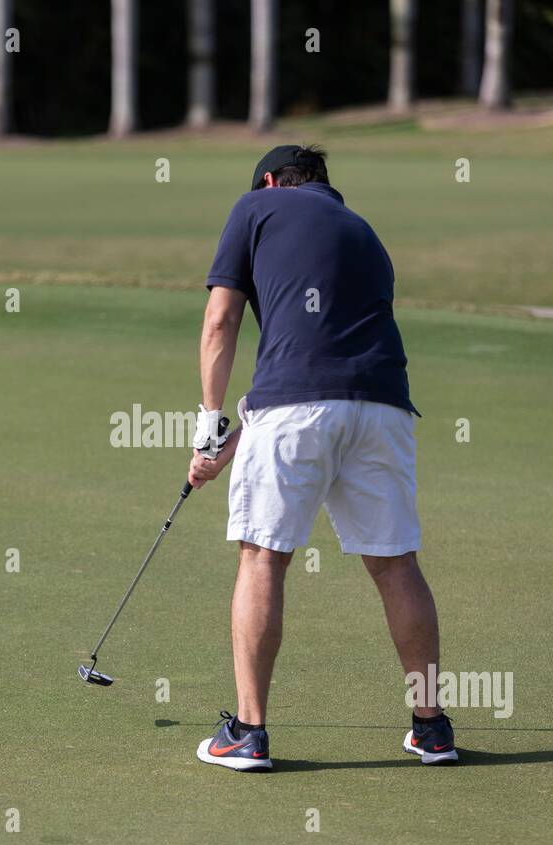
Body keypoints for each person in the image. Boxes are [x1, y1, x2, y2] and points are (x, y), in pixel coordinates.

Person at [187, 145, 456, 772]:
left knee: (263, 557)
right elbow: (315, 361)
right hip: (383, 408)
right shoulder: (364, 233)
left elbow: (220, 322)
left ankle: (249, 735)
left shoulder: (255, 206)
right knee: (395, 565)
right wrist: (227, 449)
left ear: (272, 182)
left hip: (297, 414)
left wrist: (206, 424)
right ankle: (432, 728)